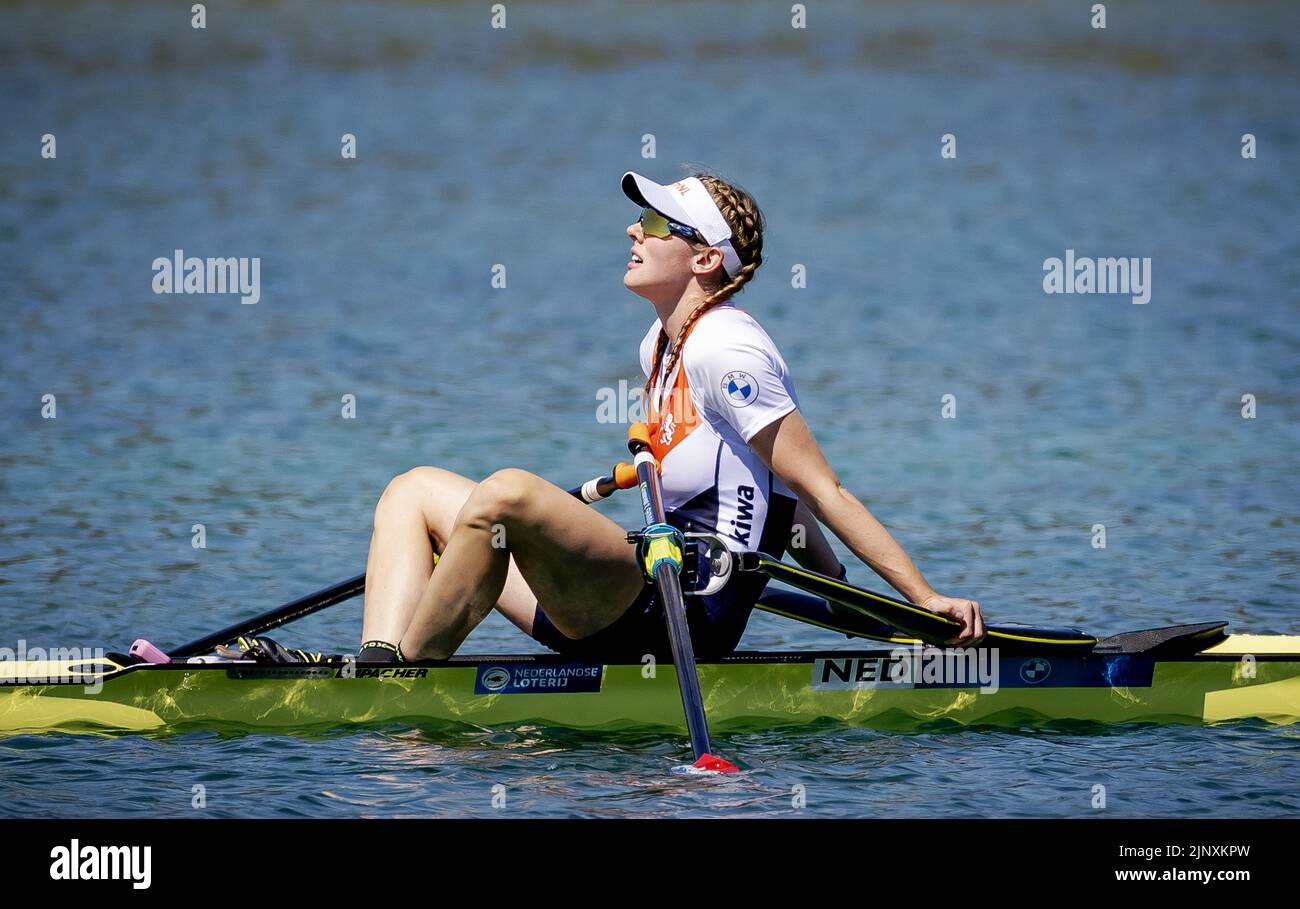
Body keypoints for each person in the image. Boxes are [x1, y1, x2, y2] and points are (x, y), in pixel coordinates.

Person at [358, 169, 985, 663]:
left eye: (657, 222)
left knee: (507, 495)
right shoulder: (658, 345)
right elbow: (778, 495)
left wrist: (920, 602)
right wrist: (840, 589)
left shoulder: (727, 349)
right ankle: (381, 663)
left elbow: (818, 488)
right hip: (628, 594)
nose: (635, 231)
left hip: (684, 614)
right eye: (640, 218)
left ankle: (408, 676)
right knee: (412, 491)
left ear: (706, 259)